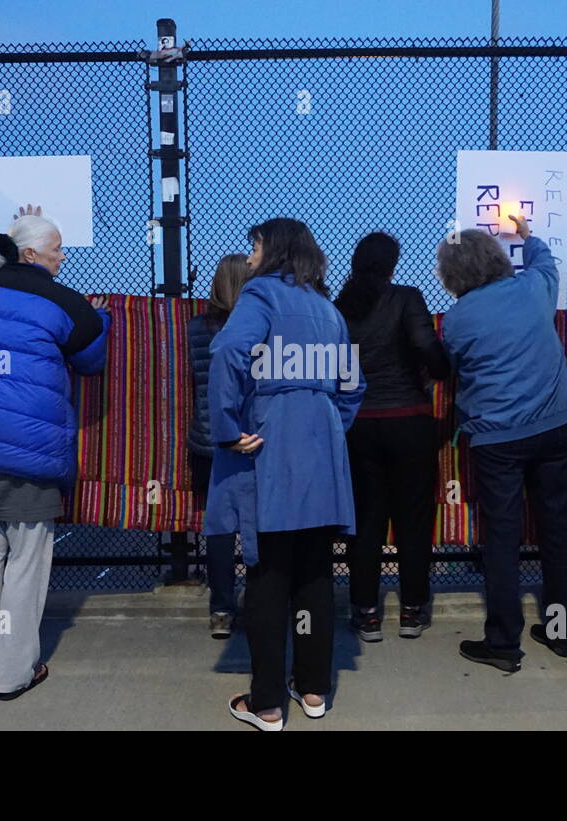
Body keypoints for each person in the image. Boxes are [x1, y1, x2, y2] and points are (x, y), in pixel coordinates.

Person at [0, 209, 109, 698]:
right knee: (26, 568)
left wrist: (7, 230)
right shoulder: (69, 305)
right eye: (56, 250)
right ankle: (13, 673)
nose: (63, 256)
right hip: (31, 454)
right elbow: (93, 360)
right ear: (31, 254)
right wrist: (106, 317)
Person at [206, 218, 364, 730]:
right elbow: (353, 384)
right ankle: (314, 690)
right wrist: (326, 427)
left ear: (270, 251)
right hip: (321, 450)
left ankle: (268, 702)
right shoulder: (328, 308)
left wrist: (228, 427)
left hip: (270, 446)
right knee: (315, 573)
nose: (248, 256)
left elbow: (228, 351)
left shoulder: (260, 296)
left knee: (268, 574)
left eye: (253, 246)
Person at [438, 217, 567, 672]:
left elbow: (453, 368)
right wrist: (524, 232)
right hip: (559, 424)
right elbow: (546, 261)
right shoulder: (533, 290)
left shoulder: (457, 320)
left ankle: (503, 643)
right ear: (497, 259)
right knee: (557, 530)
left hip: (498, 437)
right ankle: (563, 633)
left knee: (501, 539)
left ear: (452, 275)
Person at [334, 232, 449, 642]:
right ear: (392, 264)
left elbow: (338, 369)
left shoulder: (340, 309)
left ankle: (365, 611)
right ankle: (413, 610)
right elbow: (426, 347)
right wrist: (440, 369)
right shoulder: (406, 297)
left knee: (365, 520)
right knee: (412, 520)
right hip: (409, 422)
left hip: (359, 424)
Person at [187, 253, 251, 638]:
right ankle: (262, 601)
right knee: (261, 526)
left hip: (208, 440)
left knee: (220, 530)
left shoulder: (198, 327)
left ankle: (221, 610)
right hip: (252, 439)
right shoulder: (261, 328)